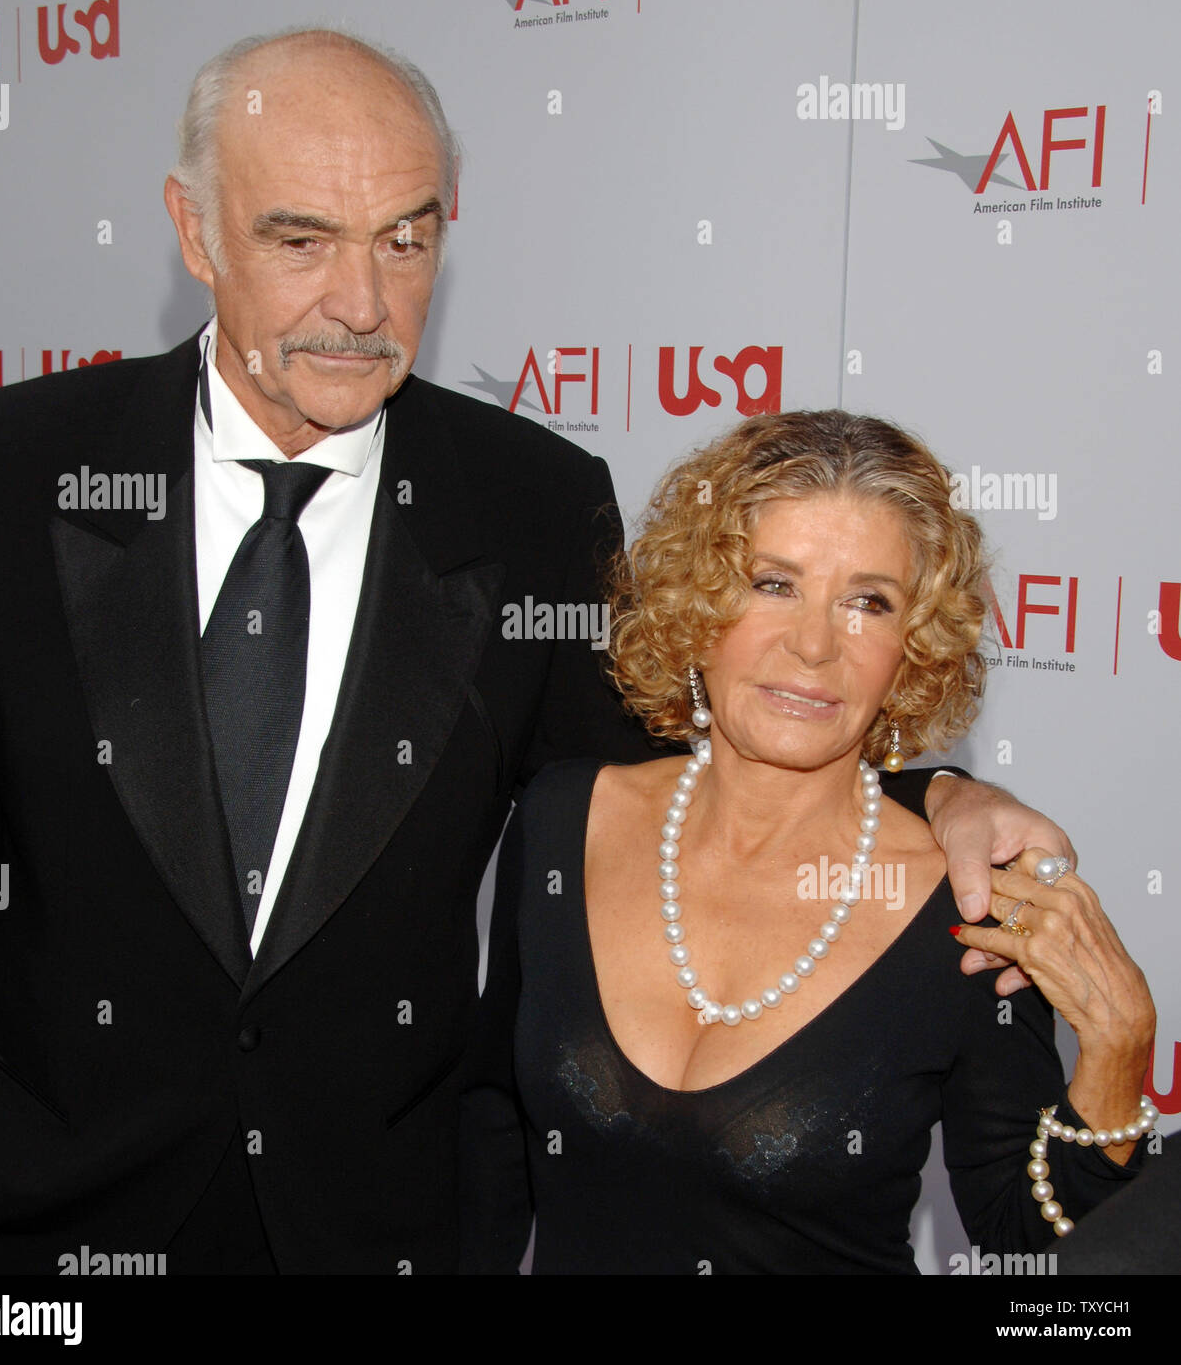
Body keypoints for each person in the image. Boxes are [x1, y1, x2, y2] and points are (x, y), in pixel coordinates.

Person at [0, 29, 1070, 1275]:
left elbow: (694, 776)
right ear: (195, 232)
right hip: (43, 1242)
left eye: (405, 240)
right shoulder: (10, 466)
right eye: (300, 240)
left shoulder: (533, 505)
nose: (361, 305)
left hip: (369, 1236)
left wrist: (938, 794)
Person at [460, 410, 1156, 1274]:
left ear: (914, 649)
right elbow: (489, 1140)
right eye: (773, 583)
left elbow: (1036, 1261)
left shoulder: (969, 905)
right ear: (694, 604)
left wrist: (1120, 1049)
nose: (815, 645)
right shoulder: (566, 818)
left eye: (869, 602)